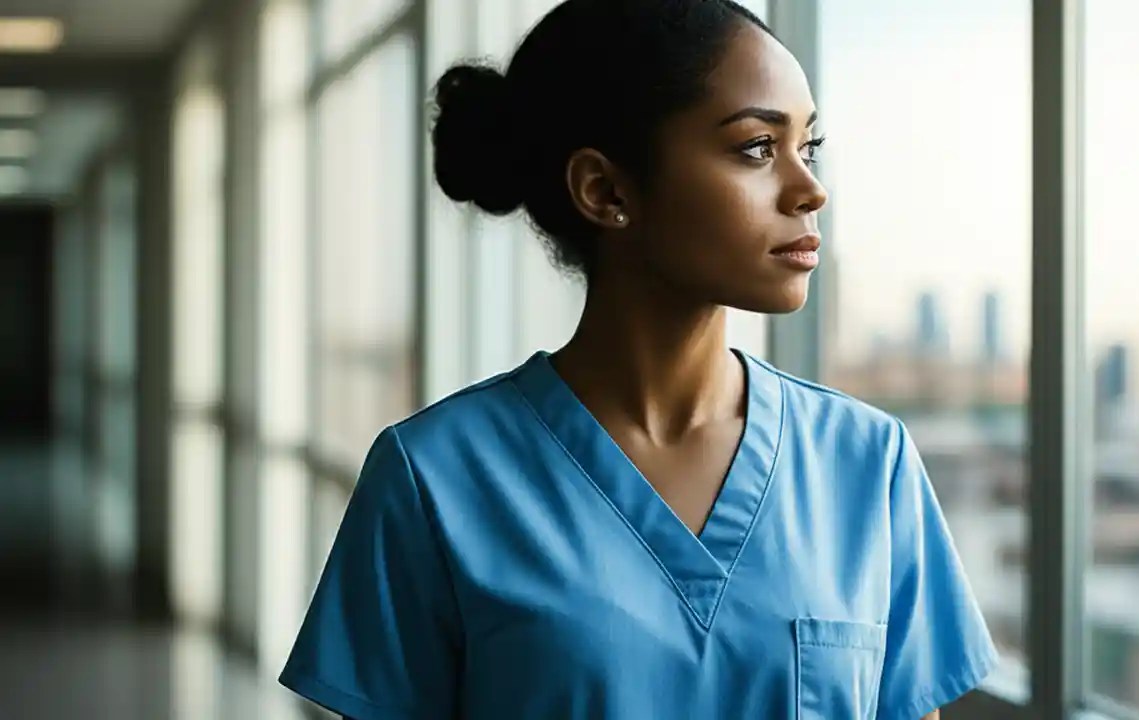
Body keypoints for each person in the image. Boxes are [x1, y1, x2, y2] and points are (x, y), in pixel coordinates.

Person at [278, 1, 998, 718]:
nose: (811, 189)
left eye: (807, 148)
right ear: (606, 190)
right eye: (756, 147)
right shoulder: (432, 479)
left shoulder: (868, 463)